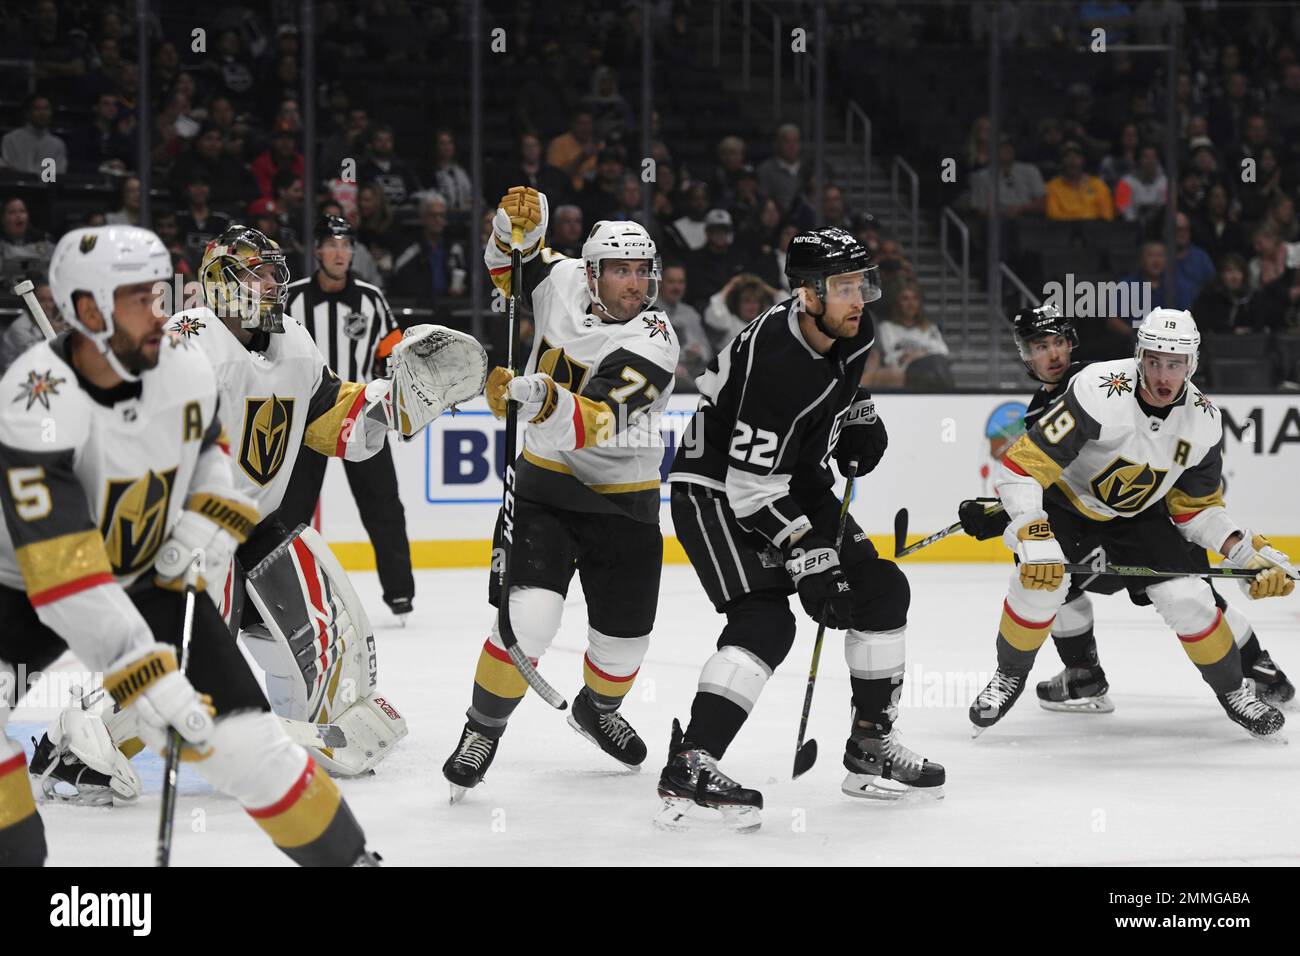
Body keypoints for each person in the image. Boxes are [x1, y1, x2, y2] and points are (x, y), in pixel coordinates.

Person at [0, 225, 379, 865]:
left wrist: (199, 535)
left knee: (251, 742)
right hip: (28, 589)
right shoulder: (38, 401)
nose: (160, 307)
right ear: (88, 309)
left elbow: (212, 462)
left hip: (143, 568)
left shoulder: (179, 362)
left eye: (158, 289)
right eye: (136, 296)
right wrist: (147, 673)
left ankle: (351, 861)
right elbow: (67, 578)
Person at [658, 227, 944, 833]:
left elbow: (841, 386)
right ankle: (691, 761)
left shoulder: (852, 326)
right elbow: (749, 489)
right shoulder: (775, 363)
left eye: (863, 284)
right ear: (807, 294)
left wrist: (859, 417)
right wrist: (811, 558)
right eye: (844, 287)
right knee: (767, 620)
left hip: (791, 479)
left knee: (882, 591)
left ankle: (870, 744)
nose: (860, 298)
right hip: (714, 490)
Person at [441, 188, 679, 801]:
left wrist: (532, 395)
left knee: (625, 643)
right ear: (593, 272)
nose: (634, 283)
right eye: (621, 271)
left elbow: (596, 420)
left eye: (642, 271)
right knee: (531, 618)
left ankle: (596, 710)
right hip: (546, 485)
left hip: (624, 500)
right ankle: (481, 731)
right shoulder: (563, 277)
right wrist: (505, 229)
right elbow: (507, 268)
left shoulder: (655, 341)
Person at [968, 308, 1296, 740]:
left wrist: (1245, 551)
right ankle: (1010, 674)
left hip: (1139, 518)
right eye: (1154, 360)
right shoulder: (1097, 390)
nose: (1163, 375)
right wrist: (1032, 529)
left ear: (1191, 365)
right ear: (1139, 355)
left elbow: (1195, 509)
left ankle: (1236, 691)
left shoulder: (1204, 422)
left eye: (1175, 364)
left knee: (1190, 596)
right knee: (1037, 578)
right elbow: (1022, 467)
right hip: (1068, 508)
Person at [279, 215, 415, 618]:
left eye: (346, 244)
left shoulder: (371, 298)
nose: (340, 252)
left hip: (360, 413)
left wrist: (397, 403)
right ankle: (280, 591)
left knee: (384, 506)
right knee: (290, 513)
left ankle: (400, 592)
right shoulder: (292, 298)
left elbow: (393, 353)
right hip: (306, 418)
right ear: (317, 250)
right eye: (331, 244)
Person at [861, 279, 953, 389]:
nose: (911, 303)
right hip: (905, 374)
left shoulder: (930, 328)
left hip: (930, 371)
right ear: (897, 302)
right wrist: (918, 357)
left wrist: (918, 355)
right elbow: (889, 357)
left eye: (915, 298)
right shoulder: (887, 328)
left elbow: (943, 353)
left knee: (936, 365)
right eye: (905, 299)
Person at [0, 280, 64, 375]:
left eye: (51, 300)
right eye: (42, 300)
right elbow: (37, 357)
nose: (47, 305)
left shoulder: (52, 320)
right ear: (32, 301)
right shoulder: (19, 327)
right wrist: (54, 335)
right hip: (14, 375)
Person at [1045, 141, 1115, 221]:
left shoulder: (1098, 184)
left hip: (1096, 230)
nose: (1072, 161)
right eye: (1067, 157)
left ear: (1083, 160)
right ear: (1062, 161)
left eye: (1077, 156)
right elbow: (1054, 216)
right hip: (1064, 231)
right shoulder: (1052, 186)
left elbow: (1107, 216)